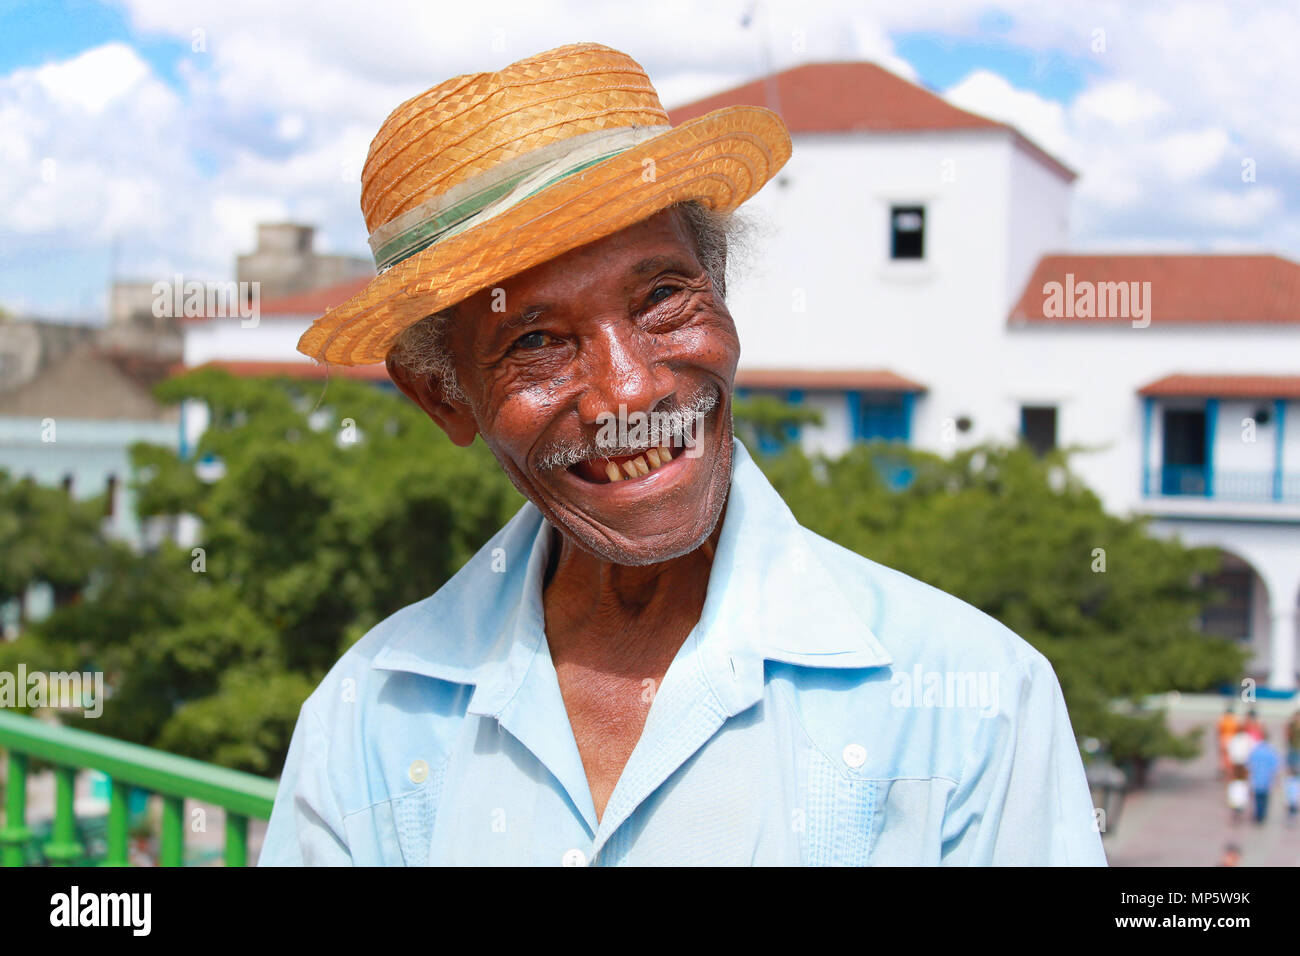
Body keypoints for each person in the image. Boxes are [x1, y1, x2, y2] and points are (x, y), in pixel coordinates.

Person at [260, 42, 1107, 867]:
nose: (629, 393)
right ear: (444, 396)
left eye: (662, 295)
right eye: (536, 340)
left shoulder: (975, 702)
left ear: (721, 285)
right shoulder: (366, 720)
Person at [1247, 730, 1281, 825]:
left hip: (1256, 779)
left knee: (1257, 799)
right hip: (1267, 780)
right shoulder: (1271, 751)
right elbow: (1275, 768)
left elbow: (1249, 765)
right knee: (1265, 799)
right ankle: (1262, 816)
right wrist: (1276, 780)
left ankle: (1258, 815)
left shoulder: (1255, 751)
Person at [1217, 702, 1239, 778]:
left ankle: (1225, 771)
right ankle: (1229, 773)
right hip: (1231, 740)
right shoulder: (1234, 720)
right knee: (1230, 758)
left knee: (1224, 758)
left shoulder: (1223, 719)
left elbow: (1219, 730)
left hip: (1224, 739)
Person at [1287, 710, 1300, 775]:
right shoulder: (1291, 725)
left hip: (1298, 748)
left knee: (1297, 765)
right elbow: (1288, 736)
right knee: (1291, 765)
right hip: (1292, 747)